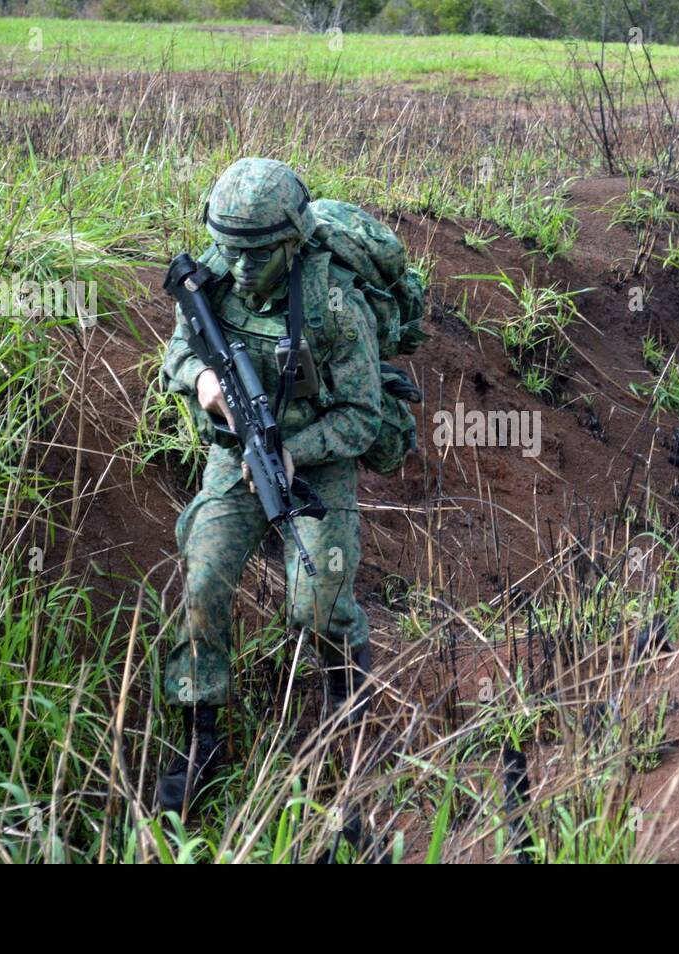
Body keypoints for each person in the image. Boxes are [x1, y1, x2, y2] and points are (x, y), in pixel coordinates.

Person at [155, 158, 384, 814]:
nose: (243, 268)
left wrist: (297, 452)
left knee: (316, 599)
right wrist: (204, 384)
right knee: (200, 583)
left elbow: (363, 416)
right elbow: (180, 349)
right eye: (233, 251)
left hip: (317, 463)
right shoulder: (214, 278)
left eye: (258, 255)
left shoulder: (334, 301)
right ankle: (200, 739)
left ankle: (348, 715)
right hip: (235, 457)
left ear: (293, 242)